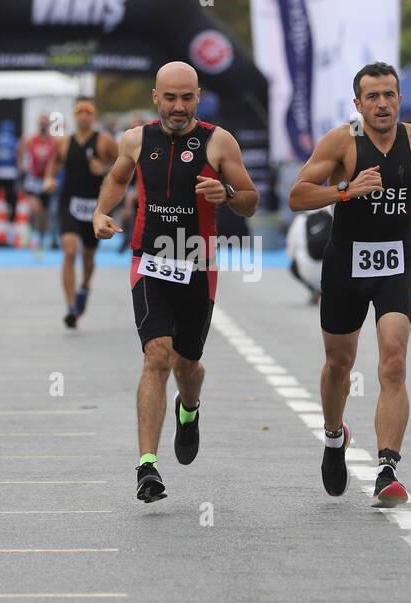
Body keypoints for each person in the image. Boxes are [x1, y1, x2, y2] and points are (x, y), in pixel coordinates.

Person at [92, 62, 259, 504]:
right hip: (148, 263)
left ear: (198, 97)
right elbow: (116, 178)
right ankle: (147, 465)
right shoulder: (135, 140)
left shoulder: (218, 142)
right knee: (156, 357)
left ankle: (190, 408)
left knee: (187, 365)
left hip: (197, 265)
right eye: (170, 98)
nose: (179, 106)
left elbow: (251, 200)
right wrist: (100, 212)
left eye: (187, 98)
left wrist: (227, 195)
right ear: (156, 97)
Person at [288, 61, 411, 508]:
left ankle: (387, 468)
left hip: (394, 265)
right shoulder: (342, 141)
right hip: (345, 268)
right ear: (358, 103)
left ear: (399, 99)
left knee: (393, 362)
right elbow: (298, 195)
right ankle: (334, 437)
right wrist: (346, 191)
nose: (381, 103)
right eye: (371, 96)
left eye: (389, 94)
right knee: (339, 364)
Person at [52, 99, 116, 328]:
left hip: (94, 207)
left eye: (88, 113)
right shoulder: (64, 143)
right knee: (69, 250)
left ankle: (85, 286)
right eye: (80, 112)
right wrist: (49, 178)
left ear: (94, 116)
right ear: (74, 116)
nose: (84, 117)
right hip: (69, 201)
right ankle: (71, 307)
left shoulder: (104, 141)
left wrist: (104, 169)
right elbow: (54, 163)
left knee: (88, 257)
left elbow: (123, 165)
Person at [19, 113, 58, 254]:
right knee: (34, 209)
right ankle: (30, 234)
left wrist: (53, 174)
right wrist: (22, 165)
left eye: (45, 123)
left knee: (43, 214)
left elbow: (57, 159)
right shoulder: (30, 140)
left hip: (46, 180)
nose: (43, 126)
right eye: (40, 123)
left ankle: (41, 239)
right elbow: (20, 151)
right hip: (33, 180)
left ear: (48, 125)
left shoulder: (53, 142)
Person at [286, 207, 332, 304]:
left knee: (293, 266)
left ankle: (314, 290)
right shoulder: (335, 216)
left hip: (306, 271)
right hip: (333, 270)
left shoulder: (300, 219)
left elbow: (290, 249)